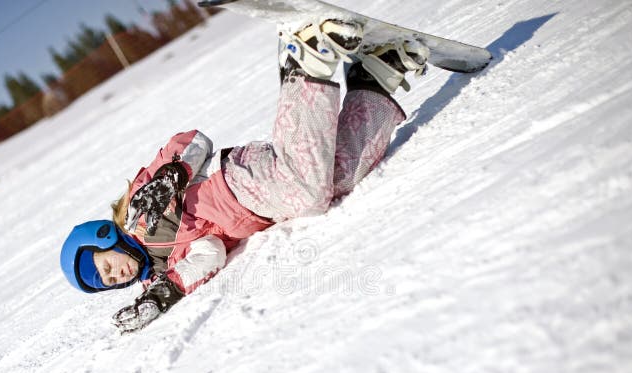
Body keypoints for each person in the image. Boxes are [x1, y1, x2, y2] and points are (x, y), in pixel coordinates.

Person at [60, 20, 429, 332]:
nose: (116, 274)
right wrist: (166, 290)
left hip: (234, 181)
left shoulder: (142, 209)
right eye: (111, 281)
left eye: (106, 265)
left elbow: (193, 141)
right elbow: (212, 252)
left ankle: (305, 61)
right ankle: (375, 77)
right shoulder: (164, 267)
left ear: (103, 237)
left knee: (307, 192)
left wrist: (171, 175)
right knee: (339, 177)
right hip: (257, 209)